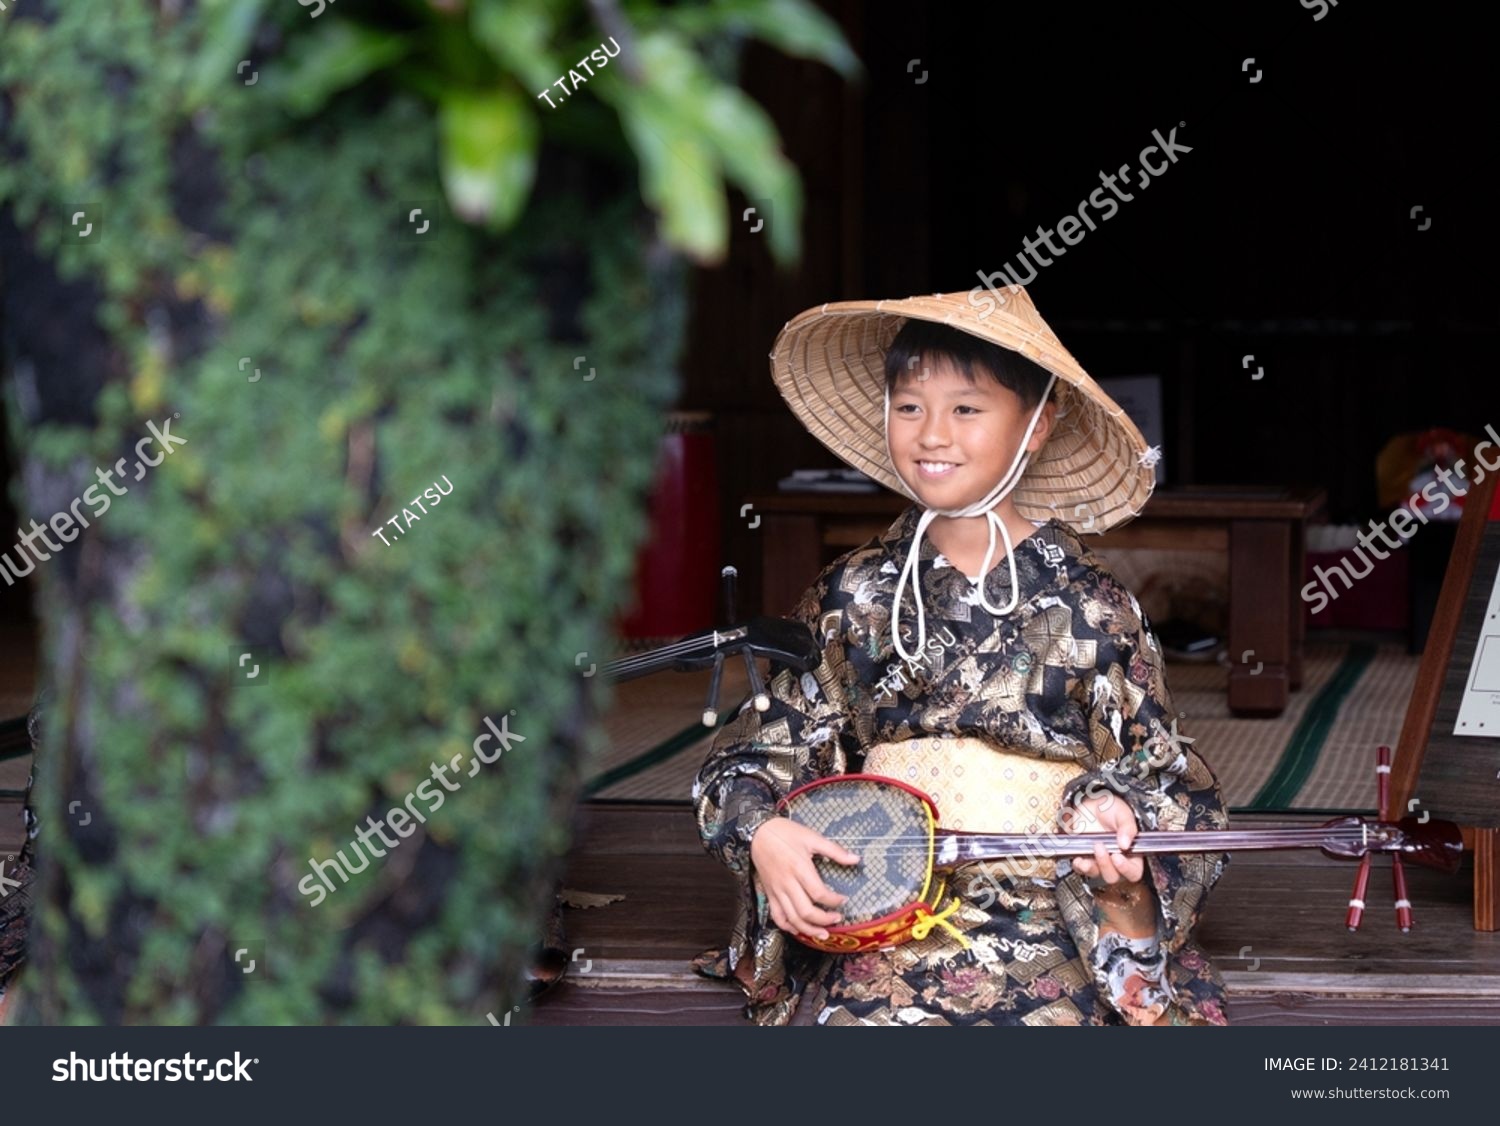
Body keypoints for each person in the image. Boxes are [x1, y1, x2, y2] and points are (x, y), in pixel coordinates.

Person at [692, 288, 1228, 1026]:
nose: (931, 434)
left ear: (1036, 427)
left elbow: (1165, 779)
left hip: (1049, 919)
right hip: (880, 908)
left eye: (967, 409)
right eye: (909, 407)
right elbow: (754, 757)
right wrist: (767, 834)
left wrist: (1117, 825)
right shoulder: (850, 594)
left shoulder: (1095, 608)